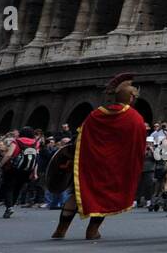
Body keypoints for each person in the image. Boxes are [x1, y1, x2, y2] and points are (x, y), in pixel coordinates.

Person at [52, 74, 148, 240]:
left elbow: (81, 138)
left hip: (90, 164)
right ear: (131, 98)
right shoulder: (135, 119)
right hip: (113, 167)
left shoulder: (96, 114)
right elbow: (137, 146)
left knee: (77, 195)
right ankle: (92, 231)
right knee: (103, 198)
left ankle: (61, 229)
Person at [0, 127, 40, 218]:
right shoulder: (36, 143)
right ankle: (12, 205)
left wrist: (0, 165)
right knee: (18, 188)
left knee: (9, 187)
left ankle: (9, 207)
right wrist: (35, 172)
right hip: (27, 169)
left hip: (13, 168)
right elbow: (36, 159)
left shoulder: (17, 141)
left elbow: (9, 154)